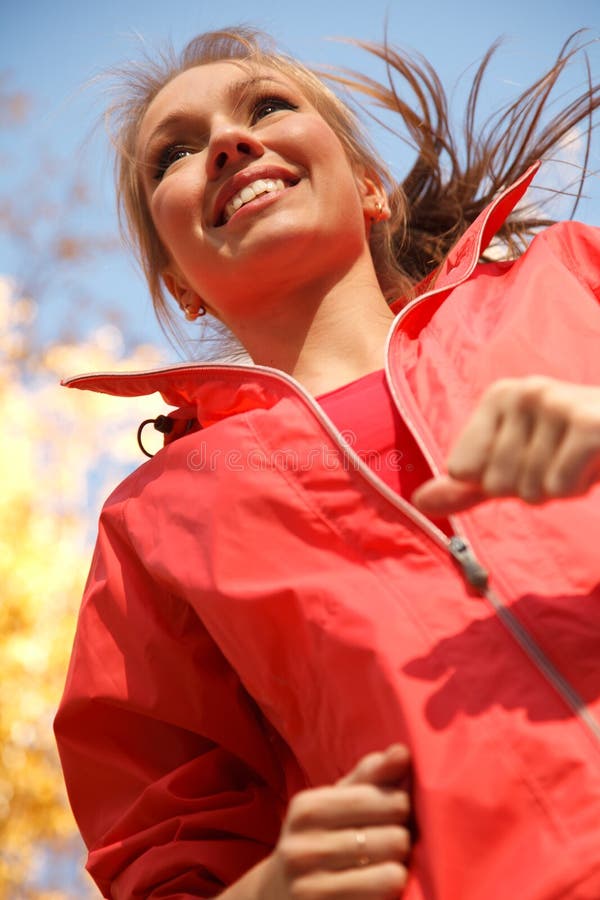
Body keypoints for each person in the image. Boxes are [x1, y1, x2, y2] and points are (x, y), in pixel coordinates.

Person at [54, 25, 600, 899]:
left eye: (267, 108)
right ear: (179, 285)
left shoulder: (570, 277)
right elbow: (160, 847)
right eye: (175, 155)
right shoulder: (155, 523)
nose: (229, 144)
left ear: (370, 186)